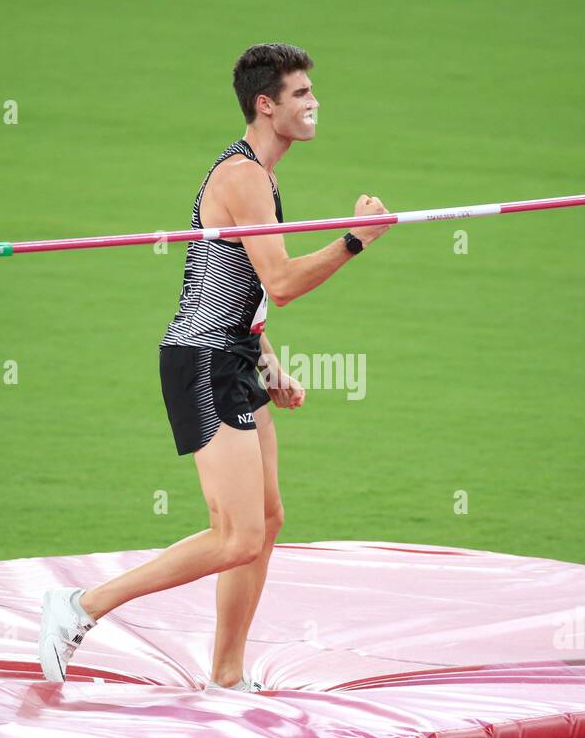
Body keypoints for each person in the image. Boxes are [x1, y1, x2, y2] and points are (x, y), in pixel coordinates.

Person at [38, 43, 389, 689]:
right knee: (236, 537)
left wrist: (267, 360)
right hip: (201, 361)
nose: (315, 104)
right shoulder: (242, 176)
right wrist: (354, 241)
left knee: (268, 518)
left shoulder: (261, 174)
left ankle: (226, 675)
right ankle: (78, 607)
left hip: (232, 355)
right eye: (301, 95)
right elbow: (280, 281)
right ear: (266, 104)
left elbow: (232, 283)